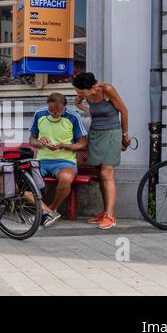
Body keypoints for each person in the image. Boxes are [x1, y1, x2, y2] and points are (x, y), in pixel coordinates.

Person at [71, 71, 131, 229]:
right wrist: (79, 104)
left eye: (78, 90)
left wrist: (125, 135)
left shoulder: (107, 90)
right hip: (95, 134)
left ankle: (111, 216)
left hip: (112, 133)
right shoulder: (87, 94)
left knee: (106, 173)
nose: (77, 93)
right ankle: (105, 212)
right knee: (99, 173)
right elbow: (88, 108)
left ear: (88, 87)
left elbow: (124, 111)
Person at [29, 92, 86, 227]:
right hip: (41, 161)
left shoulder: (73, 117)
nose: (54, 114)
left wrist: (64, 146)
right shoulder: (39, 114)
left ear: (64, 107)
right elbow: (32, 140)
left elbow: (83, 143)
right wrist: (40, 142)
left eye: (58, 112)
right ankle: (47, 211)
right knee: (18, 183)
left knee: (66, 178)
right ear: (47, 105)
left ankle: (52, 209)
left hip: (64, 161)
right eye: (51, 111)